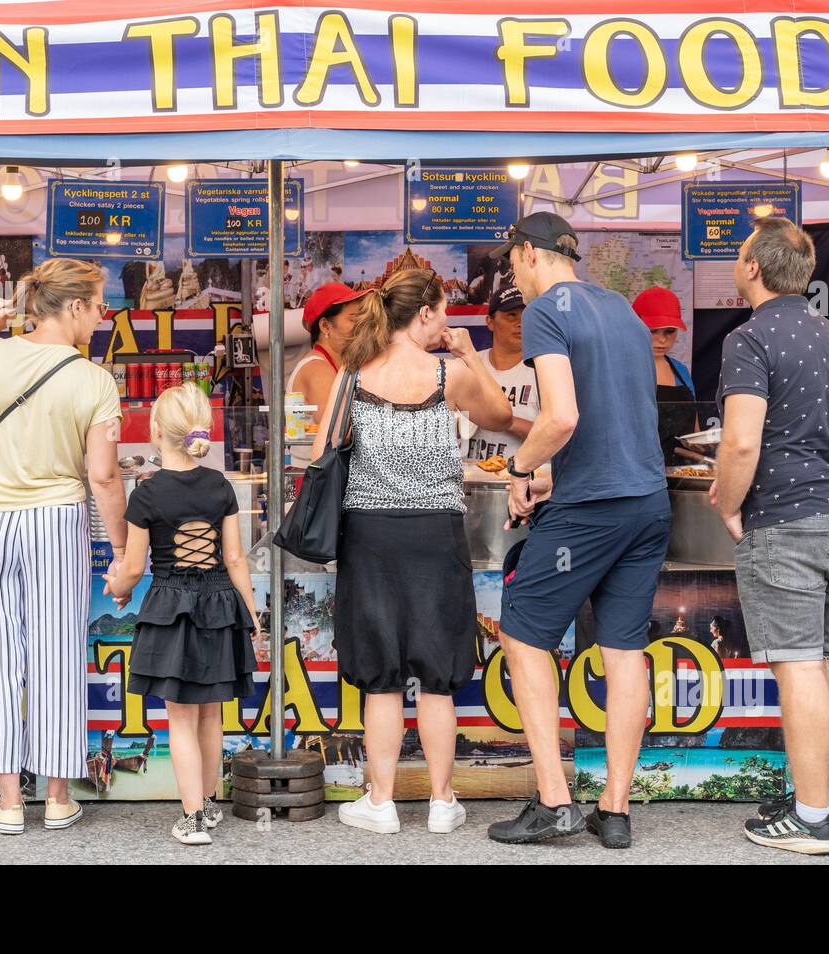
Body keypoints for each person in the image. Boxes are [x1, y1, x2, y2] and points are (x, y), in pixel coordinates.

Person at [487, 212, 670, 850]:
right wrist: (554, 474)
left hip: (593, 508)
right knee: (624, 653)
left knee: (522, 631)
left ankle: (556, 801)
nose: (514, 279)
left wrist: (521, 466)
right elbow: (621, 411)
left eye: (512, 265)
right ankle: (614, 811)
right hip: (647, 499)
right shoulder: (620, 307)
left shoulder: (546, 311)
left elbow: (560, 416)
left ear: (530, 255)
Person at [314, 267, 511, 836]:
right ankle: (443, 802)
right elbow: (499, 413)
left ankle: (380, 802)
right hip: (436, 532)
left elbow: (325, 447)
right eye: (444, 311)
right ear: (424, 314)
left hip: (370, 535)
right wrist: (471, 355)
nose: (448, 322)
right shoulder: (447, 372)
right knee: (437, 673)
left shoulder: (352, 372)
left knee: (380, 675)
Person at [0, 257, 127, 837]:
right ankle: (58, 796)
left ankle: (8, 801)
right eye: (97, 305)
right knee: (55, 654)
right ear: (73, 307)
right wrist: (120, 550)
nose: (102, 316)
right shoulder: (94, 379)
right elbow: (103, 476)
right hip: (55, 519)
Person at [709, 216, 829, 855]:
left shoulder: (748, 339)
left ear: (753, 268)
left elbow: (741, 439)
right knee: (828, 661)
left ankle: (808, 818)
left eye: (740, 255)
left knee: (797, 665)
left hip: (786, 520)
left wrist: (727, 503)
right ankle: (822, 802)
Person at [106, 382, 259, 845]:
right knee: (211, 714)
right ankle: (208, 806)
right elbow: (235, 559)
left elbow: (134, 567)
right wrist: (251, 618)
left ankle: (191, 818)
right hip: (219, 606)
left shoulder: (147, 494)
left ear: (155, 432)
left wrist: (119, 588)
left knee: (180, 719)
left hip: (172, 608)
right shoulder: (220, 486)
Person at [287, 282, 368, 469]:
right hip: (315, 478)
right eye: (353, 319)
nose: (360, 326)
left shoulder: (331, 364)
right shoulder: (317, 369)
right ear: (325, 326)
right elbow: (338, 432)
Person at [461, 283, 541, 462]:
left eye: (527, 315)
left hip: (522, 480)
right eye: (511, 315)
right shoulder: (467, 365)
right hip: (470, 477)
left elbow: (556, 435)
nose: (520, 323)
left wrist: (504, 420)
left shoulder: (543, 370)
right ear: (490, 322)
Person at [632, 286, 697, 465]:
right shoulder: (620, 369)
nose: (662, 339)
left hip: (682, 474)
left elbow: (695, 432)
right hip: (636, 475)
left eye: (670, 331)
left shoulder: (681, 371)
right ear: (633, 325)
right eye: (653, 330)